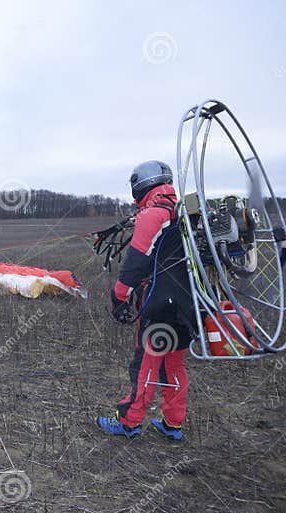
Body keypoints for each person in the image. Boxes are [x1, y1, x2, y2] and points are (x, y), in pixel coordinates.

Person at [96, 161, 194, 445]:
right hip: (186, 305)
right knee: (173, 365)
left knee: (146, 365)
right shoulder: (182, 214)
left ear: (141, 185)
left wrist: (119, 296)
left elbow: (135, 264)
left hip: (160, 306)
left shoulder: (154, 215)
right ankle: (172, 423)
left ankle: (128, 421)